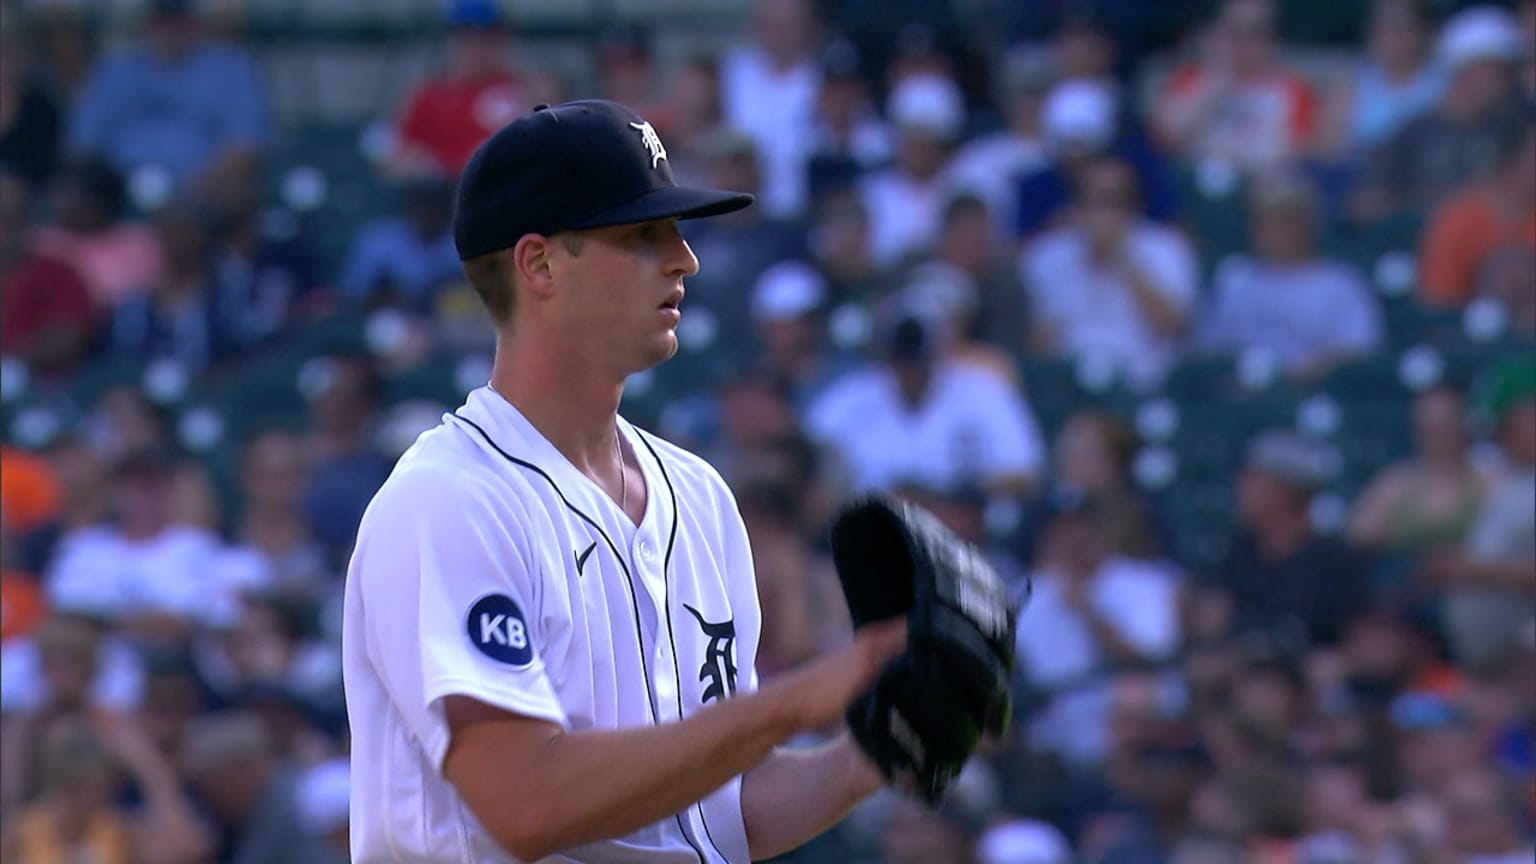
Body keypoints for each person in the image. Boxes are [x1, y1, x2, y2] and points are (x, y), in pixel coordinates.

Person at [341, 100, 910, 863]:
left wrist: (880, 746)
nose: (685, 258)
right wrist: (798, 697)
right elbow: (525, 802)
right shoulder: (448, 502)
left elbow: (715, 812)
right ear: (538, 264)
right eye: (642, 235)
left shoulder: (700, 496)